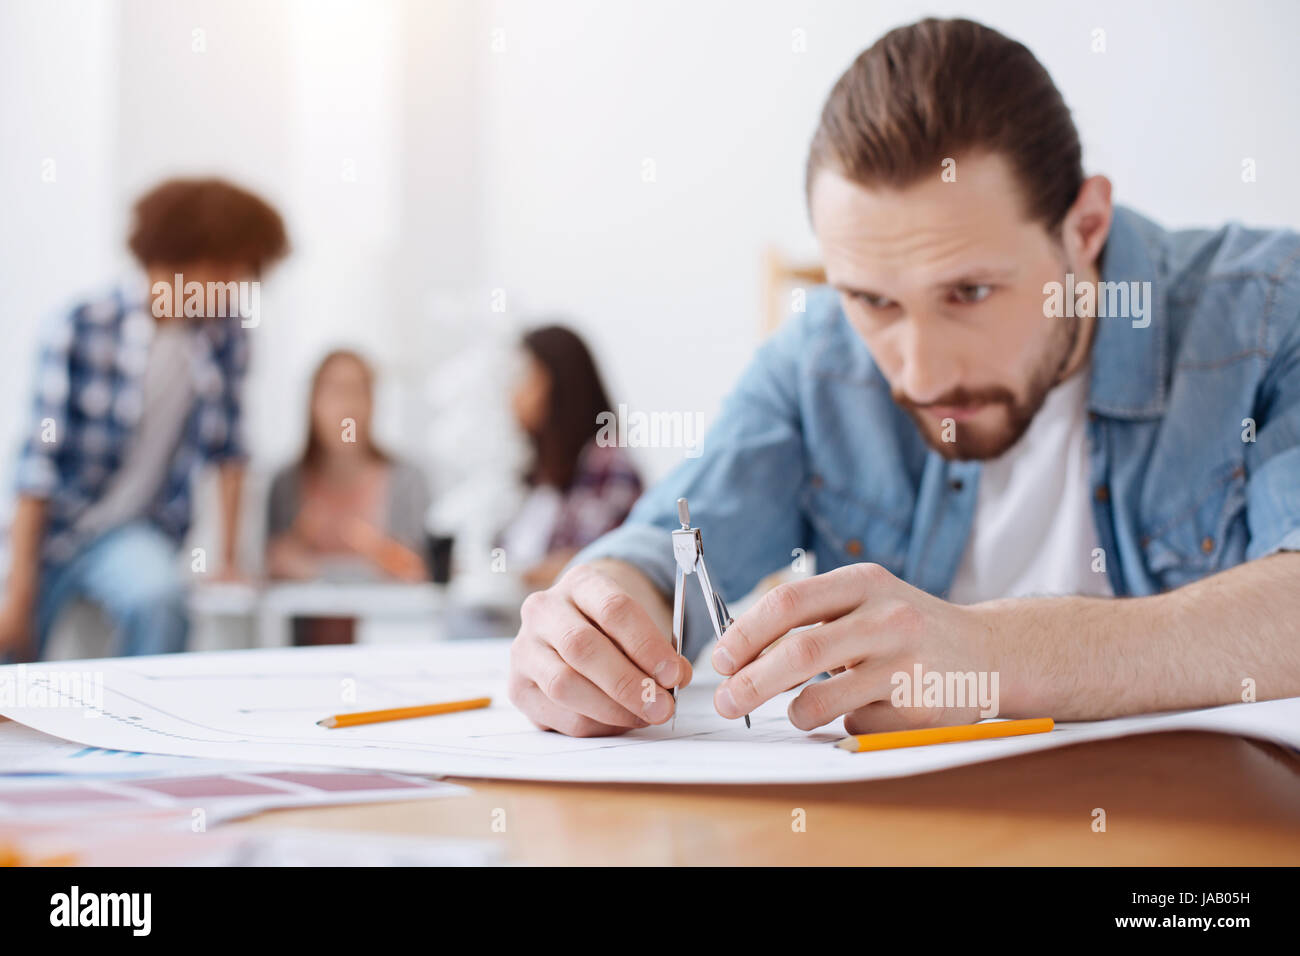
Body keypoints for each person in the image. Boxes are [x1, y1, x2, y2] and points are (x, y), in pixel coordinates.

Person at [508, 18, 1300, 738]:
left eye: (971, 293)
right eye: (873, 299)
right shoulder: (817, 360)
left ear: (1084, 228)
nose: (919, 373)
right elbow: (665, 548)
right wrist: (598, 615)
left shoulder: (1266, 314)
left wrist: (992, 654)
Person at [0, 178, 288, 661]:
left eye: (245, 273)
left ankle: (144, 729)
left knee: (159, 599)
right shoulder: (81, 324)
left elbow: (231, 450)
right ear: (176, 258)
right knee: (11, 646)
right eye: (227, 269)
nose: (236, 285)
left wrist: (230, 560)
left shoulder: (224, 337)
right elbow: (37, 469)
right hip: (49, 533)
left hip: (131, 535)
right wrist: (18, 590)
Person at [265, 350, 430, 643]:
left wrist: (358, 550)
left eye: (359, 391)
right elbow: (272, 565)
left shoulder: (407, 481)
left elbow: (416, 570)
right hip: (301, 646)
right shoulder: (286, 483)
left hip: (387, 642)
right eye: (335, 391)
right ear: (312, 402)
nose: (347, 407)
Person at [503, 325, 643, 590]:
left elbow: (593, 564)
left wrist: (511, 574)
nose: (511, 393)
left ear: (558, 382)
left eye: (522, 377)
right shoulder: (537, 473)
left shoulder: (607, 461)